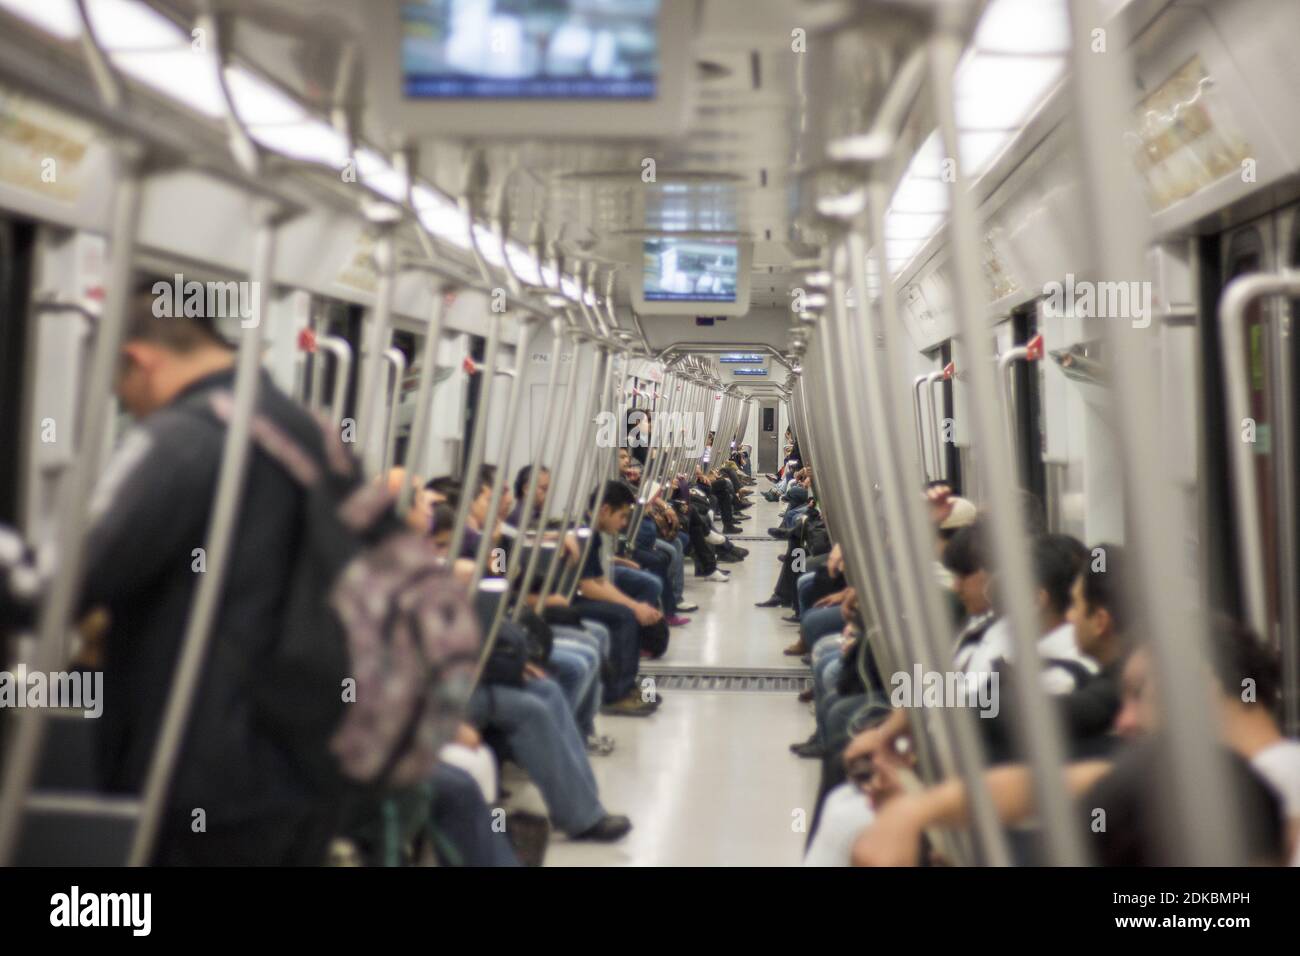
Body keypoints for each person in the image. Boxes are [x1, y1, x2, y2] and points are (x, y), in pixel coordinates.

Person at [77, 289, 338, 865]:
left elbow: (63, 582)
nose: (131, 407)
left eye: (122, 392)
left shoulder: (182, 439)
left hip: (204, 769)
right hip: (301, 760)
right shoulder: (299, 428)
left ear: (142, 361)